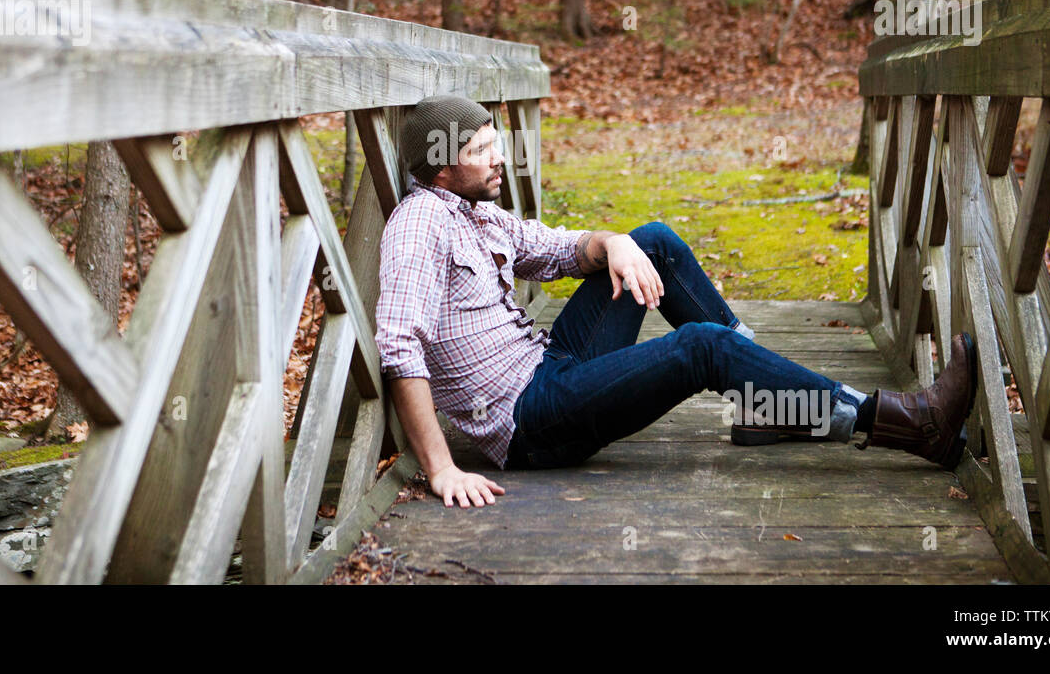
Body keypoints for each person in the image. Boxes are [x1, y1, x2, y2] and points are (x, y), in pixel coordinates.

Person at [375, 94, 979, 508]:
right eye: (482, 150)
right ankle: (906, 423)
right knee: (701, 349)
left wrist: (615, 244)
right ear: (441, 168)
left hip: (549, 367)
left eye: (495, 143)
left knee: (652, 242)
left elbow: (559, 248)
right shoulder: (419, 224)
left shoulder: (479, 214)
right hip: (529, 421)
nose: (499, 157)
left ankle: (773, 402)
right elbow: (401, 347)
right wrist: (442, 468)